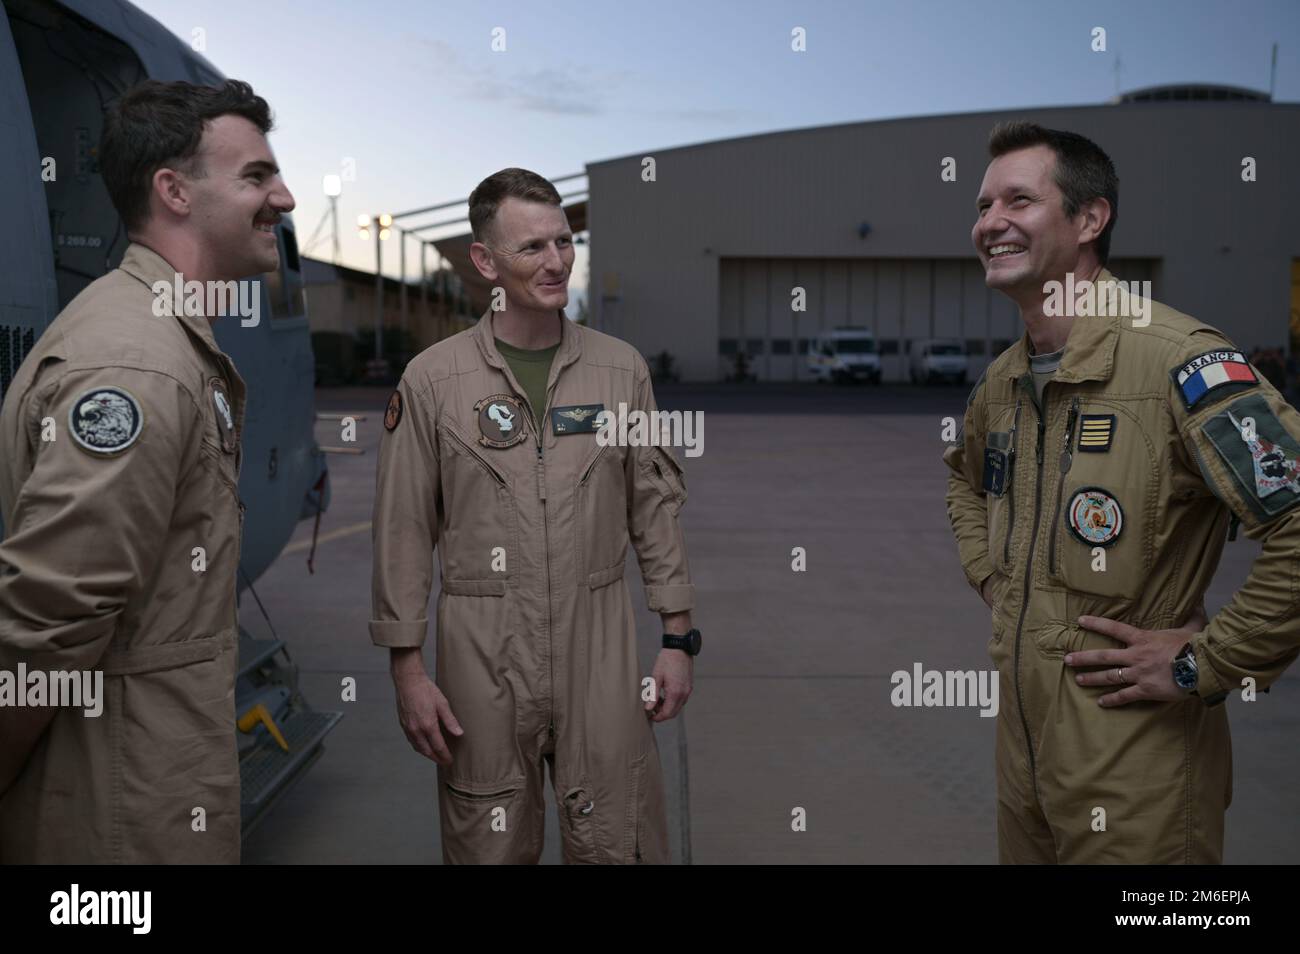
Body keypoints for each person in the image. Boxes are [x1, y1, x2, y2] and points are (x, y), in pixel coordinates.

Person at [944, 120, 1300, 864]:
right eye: (982, 206)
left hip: (1140, 773)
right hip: (1026, 764)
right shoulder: (1005, 381)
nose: (990, 223)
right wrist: (996, 580)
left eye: (1018, 200)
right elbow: (965, 483)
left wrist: (1206, 660)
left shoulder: (1178, 360)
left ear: (1090, 218)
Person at [0, 79, 295, 862]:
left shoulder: (160, 337)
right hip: (120, 817)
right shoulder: (138, 362)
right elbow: (52, 618)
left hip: (145, 783)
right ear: (173, 191)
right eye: (257, 177)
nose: (285, 197)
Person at [371, 168, 700, 864]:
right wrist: (408, 668)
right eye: (532, 249)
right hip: (481, 655)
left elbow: (655, 507)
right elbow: (402, 528)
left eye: (564, 241)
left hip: (601, 644)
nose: (555, 262)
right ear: (484, 261)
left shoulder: (620, 371)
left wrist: (677, 638)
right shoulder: (433, 380)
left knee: (618, 835)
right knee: (486, 838)